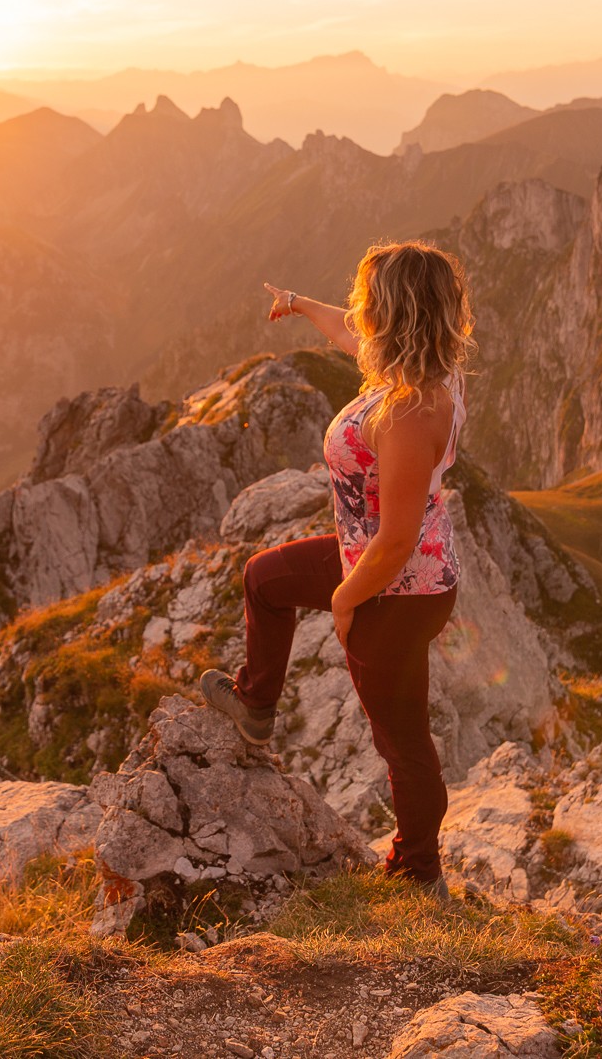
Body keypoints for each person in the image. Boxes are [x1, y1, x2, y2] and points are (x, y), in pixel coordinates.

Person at [200, 240, 473, 896]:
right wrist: (297, 305)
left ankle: (417, 872)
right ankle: (255, 705)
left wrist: (348, 601)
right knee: (265, 579)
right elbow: (350, 334)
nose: (356, 312)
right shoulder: (420, 368)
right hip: (382, 567)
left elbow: (397, 539)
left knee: (402, 741)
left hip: (397, 586)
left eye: (367, 302)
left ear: (396, 315)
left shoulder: (407, 412)